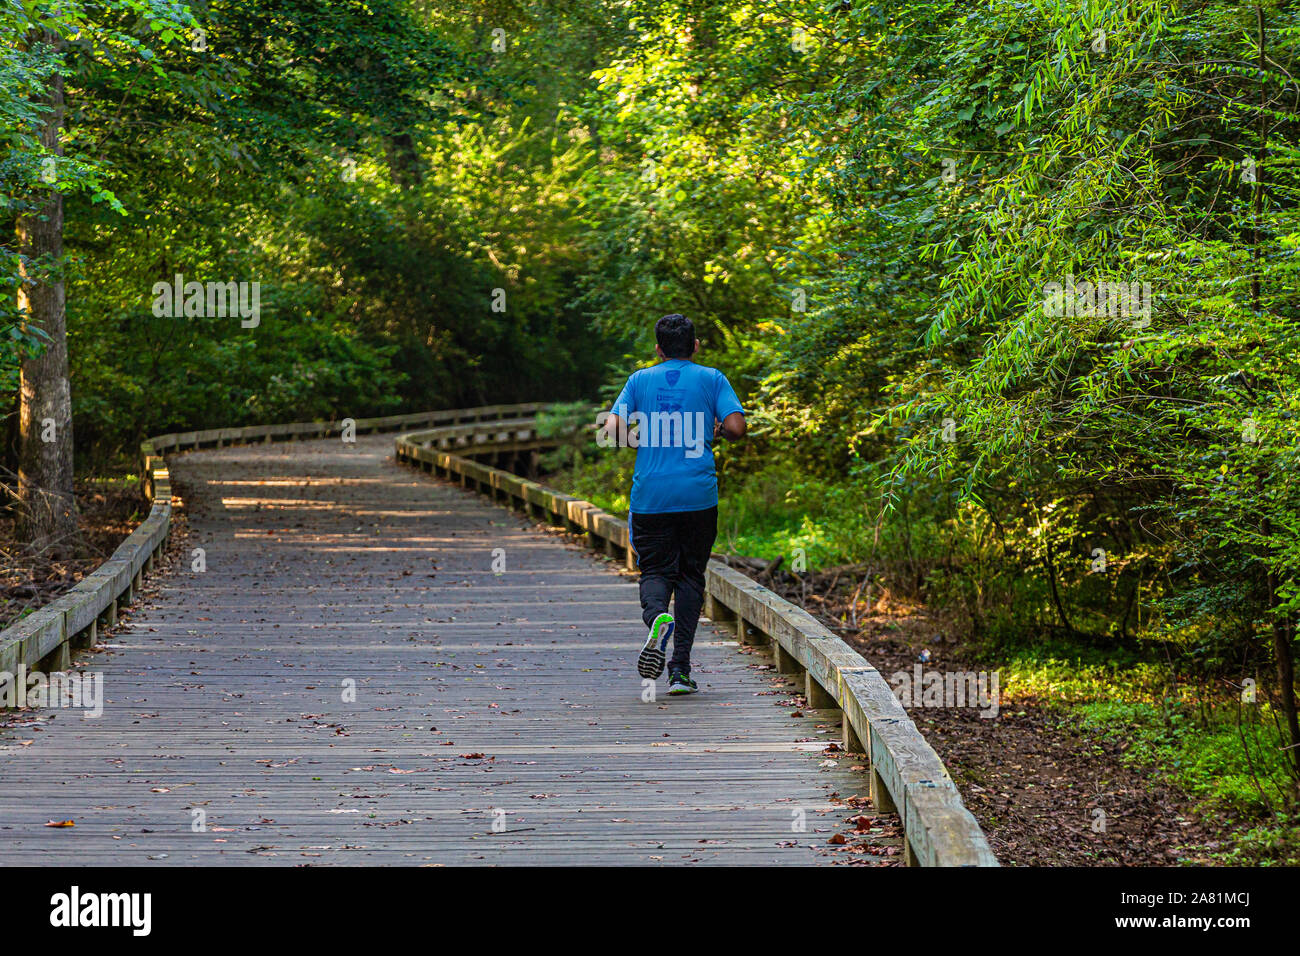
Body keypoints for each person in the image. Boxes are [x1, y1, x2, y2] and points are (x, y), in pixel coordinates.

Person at [602, 314, 746, 695]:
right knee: (690, 576)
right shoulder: (712, 378)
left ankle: (655, 619)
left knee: (654, 571)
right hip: (698, 496)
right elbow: (736, 428)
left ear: (658, 349)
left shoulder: (639, 380)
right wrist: (713, 428)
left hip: (651, 496)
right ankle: (679, 671)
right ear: (695, 345)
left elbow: (612, 429)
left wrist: (640, 440)